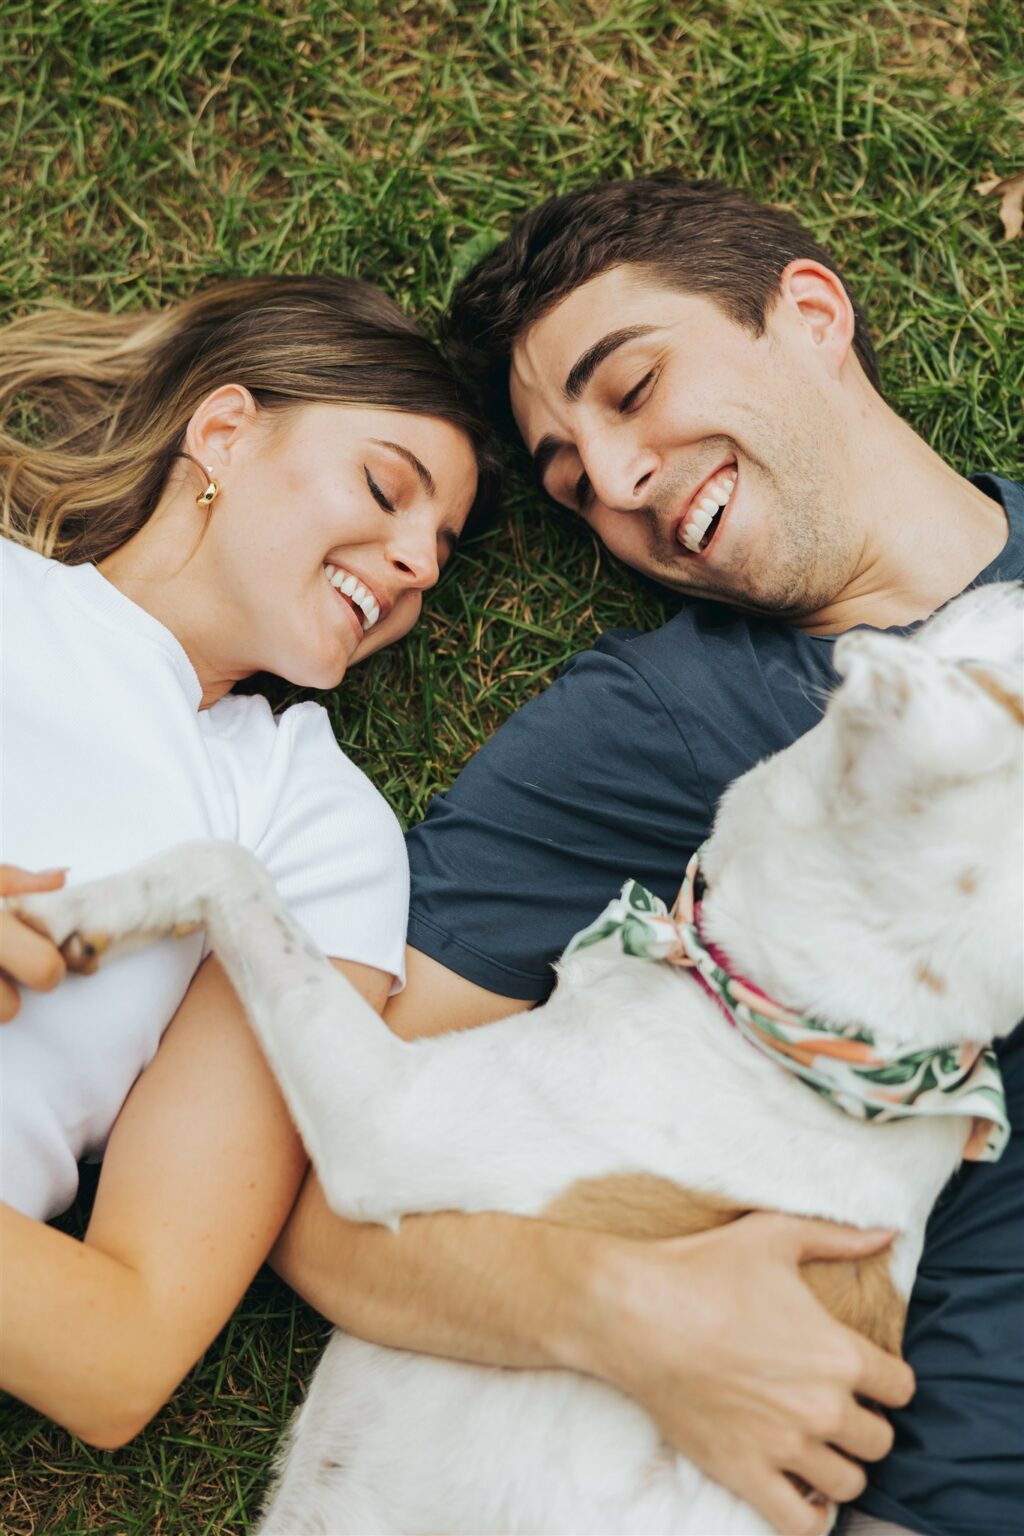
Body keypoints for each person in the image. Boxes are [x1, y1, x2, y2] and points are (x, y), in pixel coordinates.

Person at [271, 180, 1023, 1536]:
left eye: (632, 387)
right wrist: (628, 1316)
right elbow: (307, 1182)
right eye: (573, 485)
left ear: (810, 314)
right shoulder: (657, 727)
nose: (616, 483)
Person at [0, 273, 495, 1446]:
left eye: (440, 548)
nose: (418, 563)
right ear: (223, 429)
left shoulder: (308, 827)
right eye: (386, 488)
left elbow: (123, 1351)